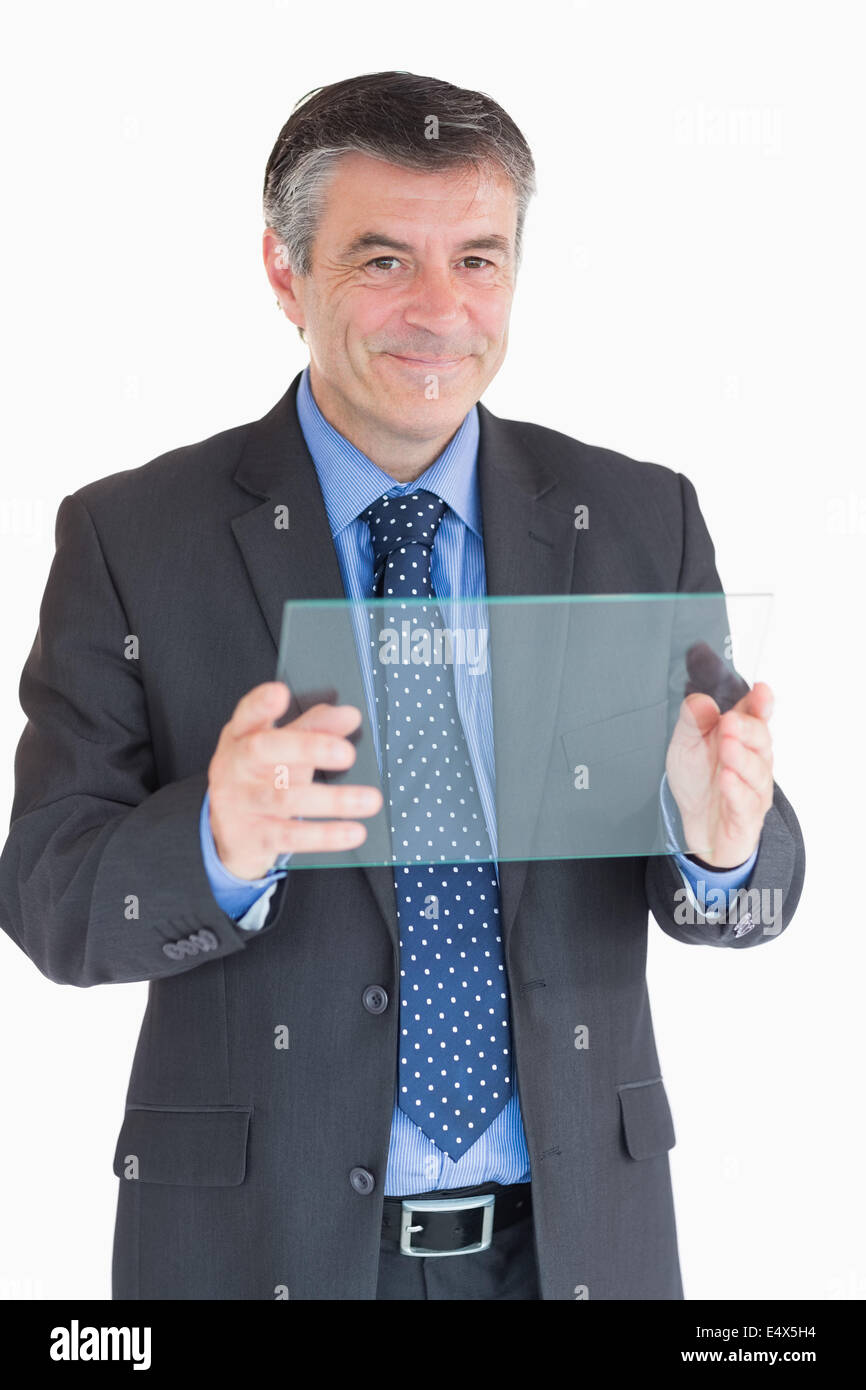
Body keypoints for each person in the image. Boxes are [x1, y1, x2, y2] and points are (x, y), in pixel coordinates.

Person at [0, 70, 805, 1301]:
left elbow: (752, 886)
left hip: (579, 1248)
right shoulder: (131, 539)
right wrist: (215, 841)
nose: (440, 311)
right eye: (383, 261)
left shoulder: (638, 520)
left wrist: (716, 846)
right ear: (285, 273)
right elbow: (51, 896)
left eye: (478, 259)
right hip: (253, 1252)